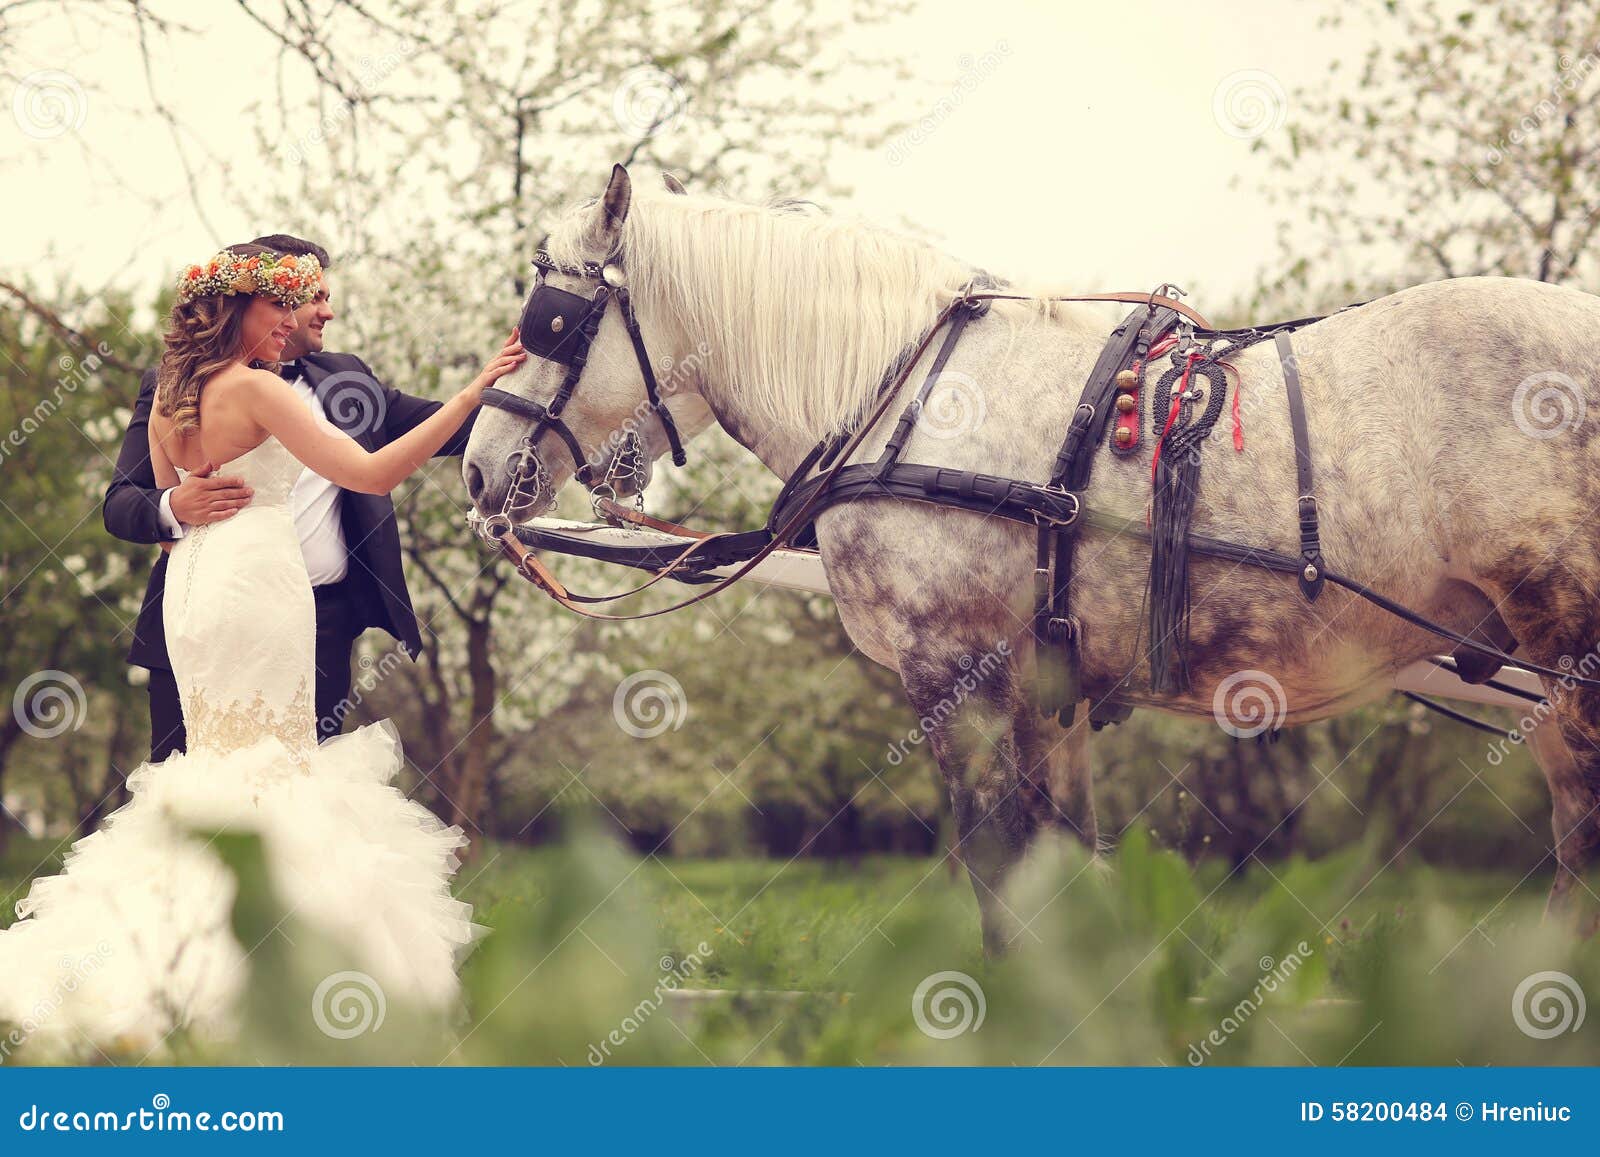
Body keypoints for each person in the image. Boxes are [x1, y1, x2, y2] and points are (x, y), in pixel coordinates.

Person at [0, 244, 525, 1054]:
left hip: (202, 589)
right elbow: (376, 473)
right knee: (273, 766)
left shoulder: (179, 391)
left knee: (216, 765)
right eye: (283, 304)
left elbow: (366, 430)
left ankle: (160, 964)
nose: (296, 321)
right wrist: (472, 390)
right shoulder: (258, 387)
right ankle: (263, 975)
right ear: (239, 306)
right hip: (258, 591)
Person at [104, 234, 478, 758]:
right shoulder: (200, 386)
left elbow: (454, 432)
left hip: (310, 622)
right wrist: (174, 508)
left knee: (206, 786)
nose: (324, 310)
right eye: (302, 297)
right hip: (236, 613)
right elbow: (121, 501)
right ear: (245, 303)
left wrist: (539, 408)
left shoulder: (345, 378)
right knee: (280, 783)